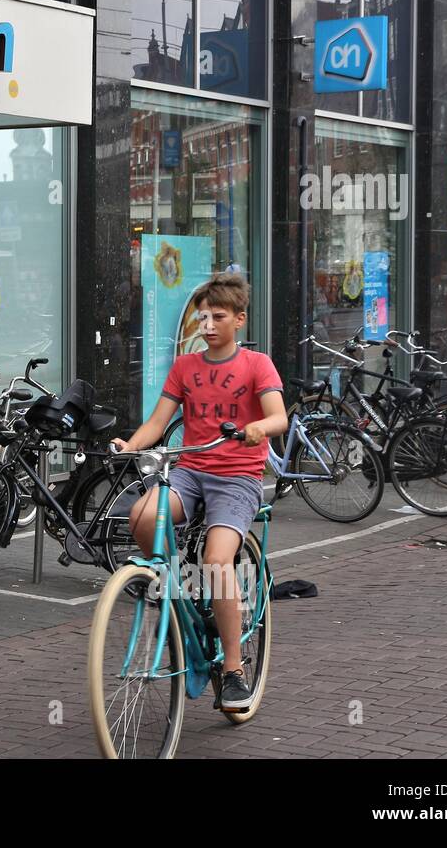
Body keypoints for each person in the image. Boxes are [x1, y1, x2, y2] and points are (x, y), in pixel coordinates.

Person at [110, 272, 287, 711]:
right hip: (190, 468)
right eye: (202, 317)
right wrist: (128, 445)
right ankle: (173, 590)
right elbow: (156, 423)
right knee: (142, 516)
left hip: (238, 477)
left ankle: (231, 669)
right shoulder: (185, 367)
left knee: (216, 562)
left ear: (239, 320)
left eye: (218, 317)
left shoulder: (256, 365)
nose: (207, 325)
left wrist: (256, 429)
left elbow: (279, 417)